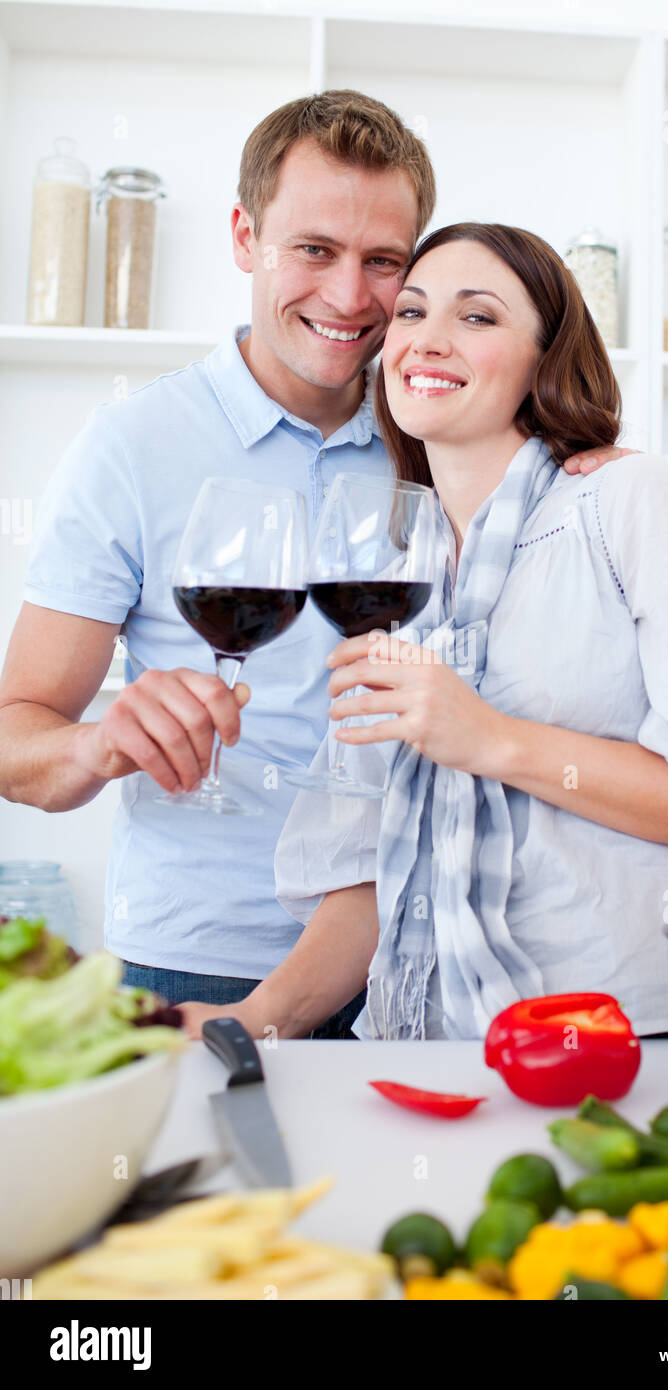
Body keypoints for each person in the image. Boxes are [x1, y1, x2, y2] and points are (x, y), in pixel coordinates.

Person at [0, 95, 621, 1027]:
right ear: (246, 237)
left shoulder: (443, 427)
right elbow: (18, 739)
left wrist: (592, 462)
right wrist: (96, 742)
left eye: (383, 262)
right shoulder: (133, 443)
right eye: (315, 251)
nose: (348, 297)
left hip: (425, 947)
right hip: (195, 961)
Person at [179, 221, 668, 1043]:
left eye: (477, 318)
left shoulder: (629, 502)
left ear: (544, 361)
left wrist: (492, 740)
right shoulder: (402, 564)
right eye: (410, 314)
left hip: (633, 1044)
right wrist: (256, 1020)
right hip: (437, 1043)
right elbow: (379, 867)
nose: (428, 341)